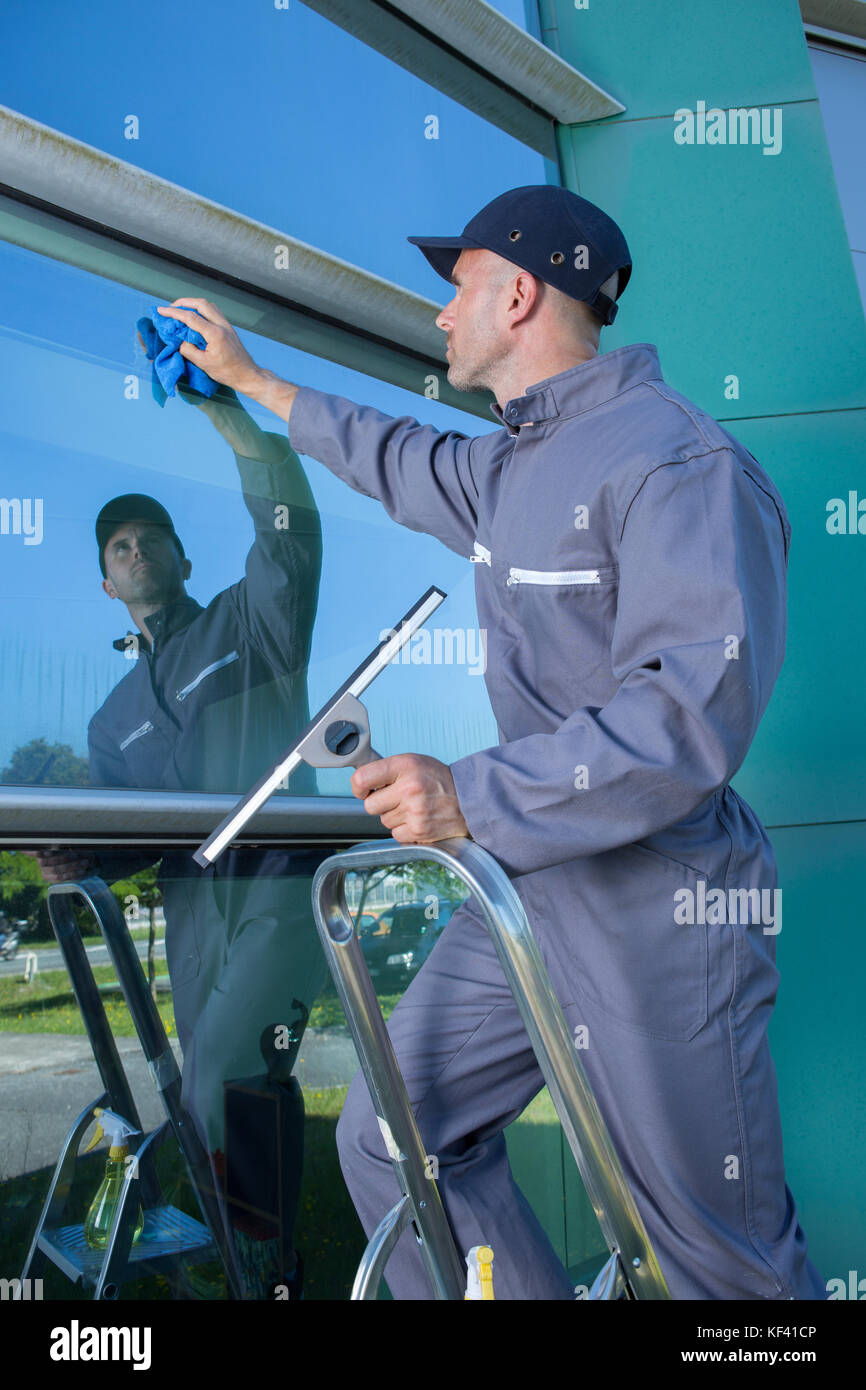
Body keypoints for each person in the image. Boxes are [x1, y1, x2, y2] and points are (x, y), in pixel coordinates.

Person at [152, 184, 826, 1301]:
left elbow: (687, 718)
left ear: (517, 292)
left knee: (720, 1259)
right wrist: (256, 383)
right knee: (388, 1135)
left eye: (453, 288)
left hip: (659, 910)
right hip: (525, 896)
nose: (437, 316)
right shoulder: (510, 466)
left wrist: (468, 796)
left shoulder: (679, 466)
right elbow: (395, 454)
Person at [31, 375, 329, 1298]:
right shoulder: (112, 723)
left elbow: (291, 533)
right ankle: (267, 1272)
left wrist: (227, 415)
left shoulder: (251, 623)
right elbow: (126, 835)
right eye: (118, 546)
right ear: (106, 580)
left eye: (149, 537)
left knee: (217, 1087)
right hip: (195, 917)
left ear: (181, 557)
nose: (135, 551)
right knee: (241, 1094)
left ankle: (255, 1269)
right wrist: (76, 852)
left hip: (281, 892)